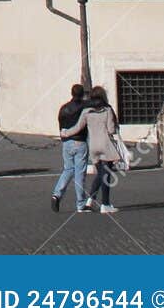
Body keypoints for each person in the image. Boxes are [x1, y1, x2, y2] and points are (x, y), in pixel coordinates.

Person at [60, 86, 123, 214]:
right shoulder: (107, 110)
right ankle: (105, 204)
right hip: (105, 145)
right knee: (105, 175)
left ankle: (91, 199)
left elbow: (78, 127)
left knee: (100, 174)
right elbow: (111, 129)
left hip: (93, 145)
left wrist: (66, 133)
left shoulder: (86, 111)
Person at [50, 83, 89, 213]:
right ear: (82, 94)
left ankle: (57, 194)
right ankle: (80, 203)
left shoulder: (64, 108)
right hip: (80, 141)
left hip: (66, 142)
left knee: (68, 169)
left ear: (72, 94)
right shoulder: (84, 107)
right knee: (79, 173)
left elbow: (60, 124)